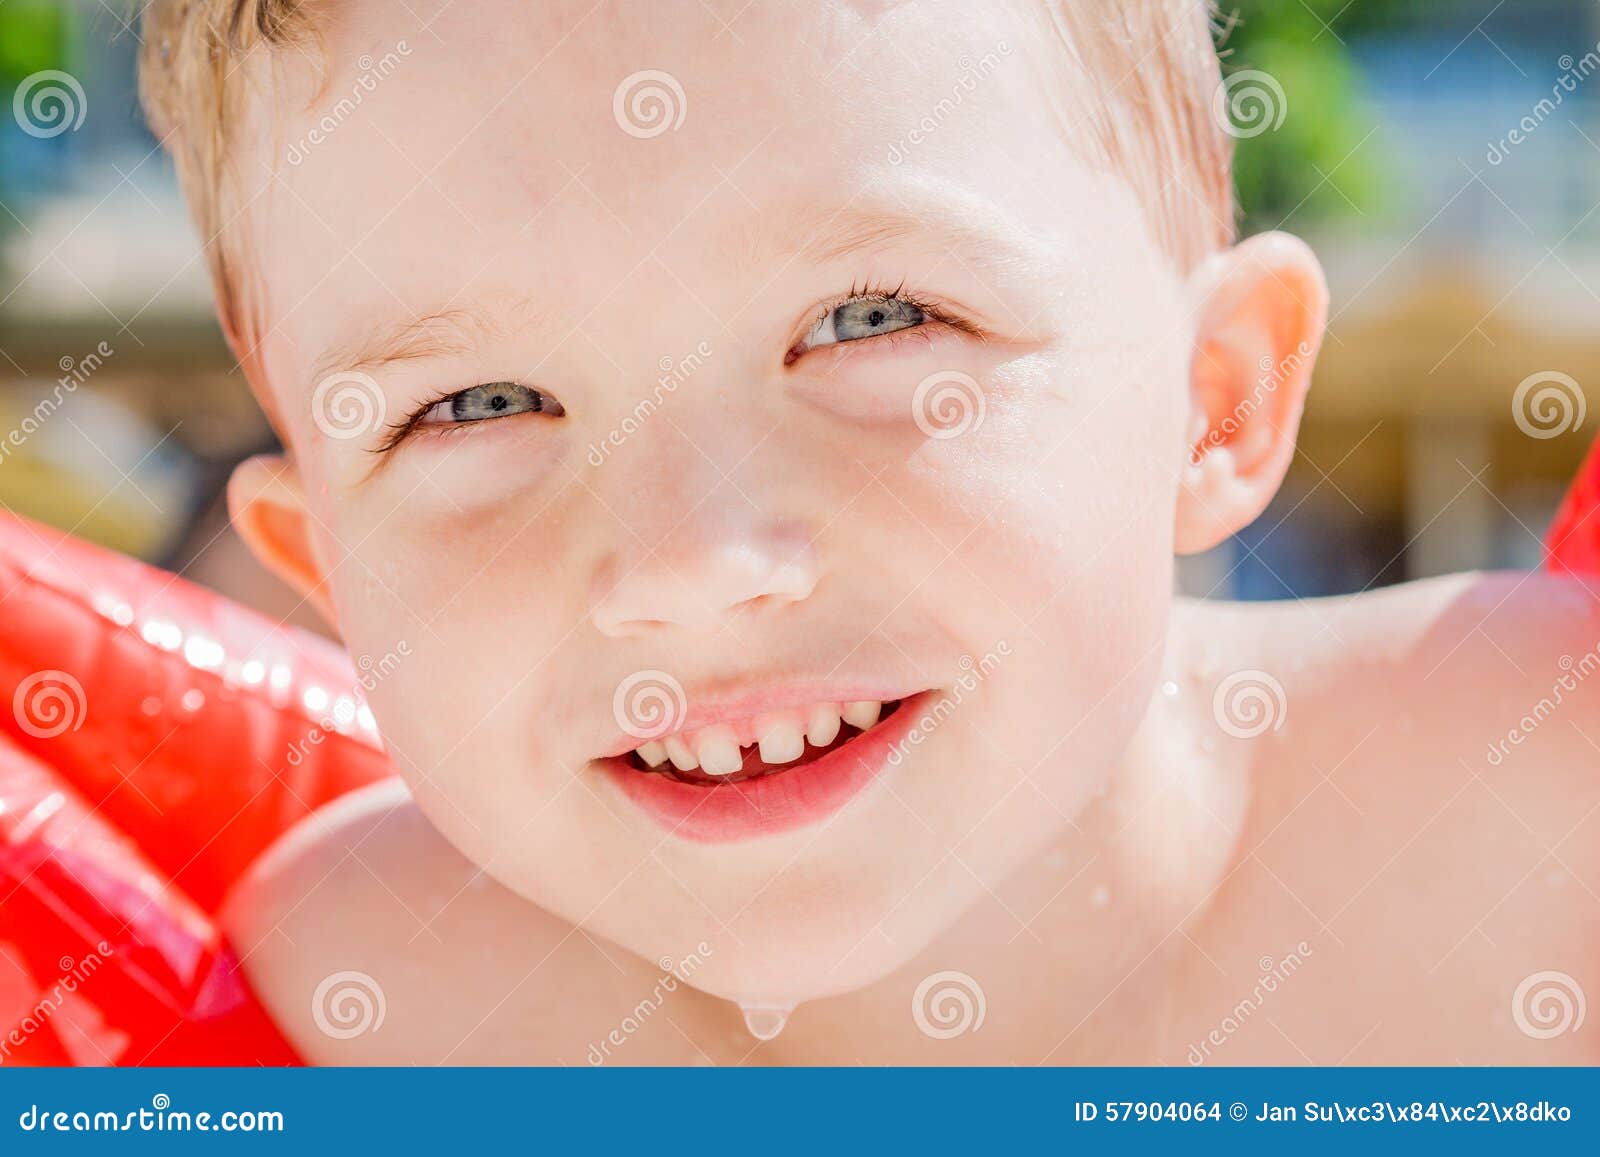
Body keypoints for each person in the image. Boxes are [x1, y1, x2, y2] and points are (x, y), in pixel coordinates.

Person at [108, 0, 1600, 1063]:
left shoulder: (1544, 812)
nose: (691, 564)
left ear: (1213, 401)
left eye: (869, 320)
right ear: (330, 579)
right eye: (478, 403)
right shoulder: (358, 1006)